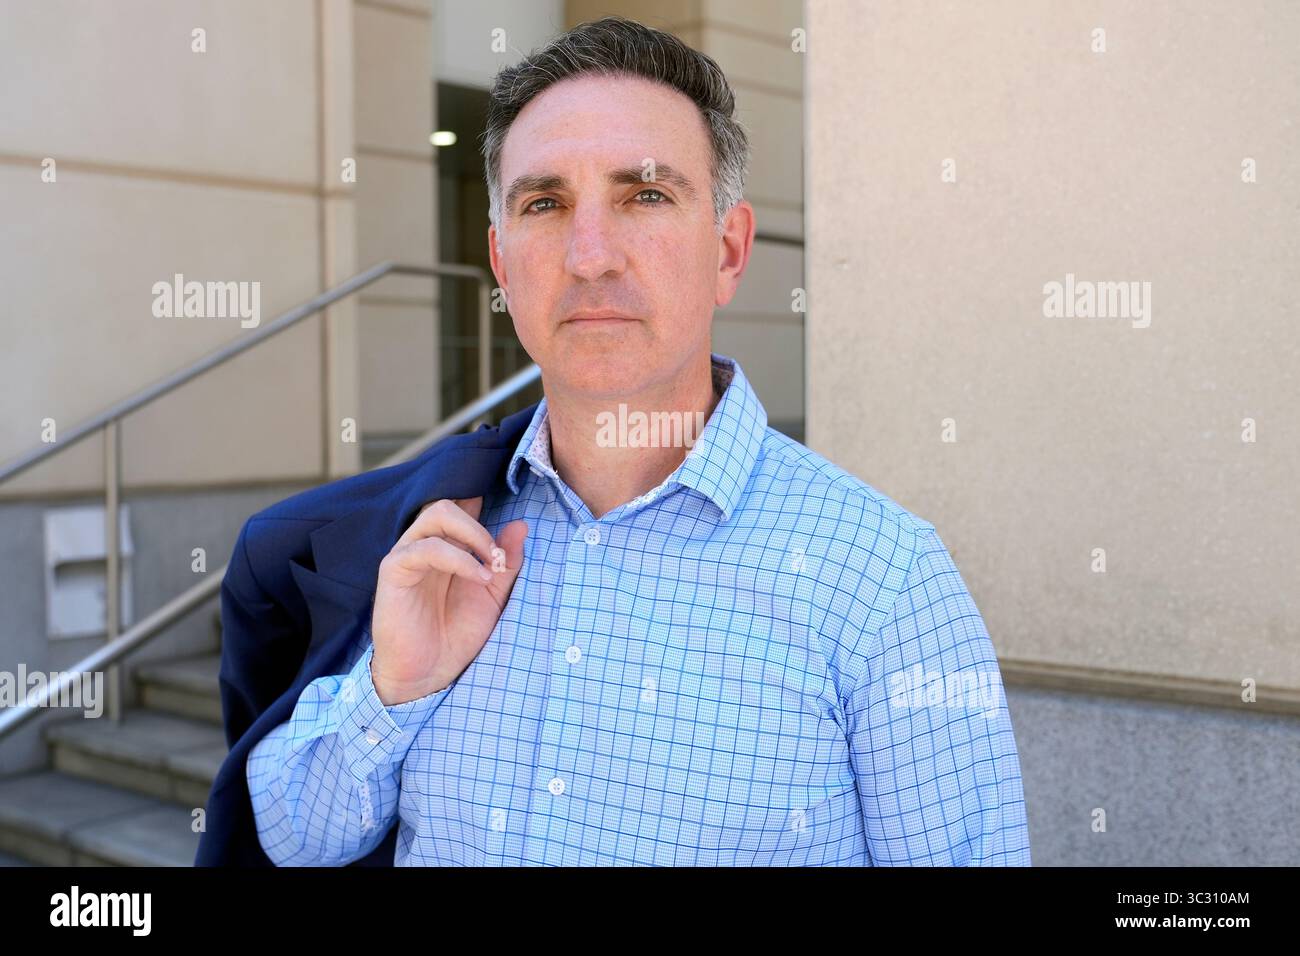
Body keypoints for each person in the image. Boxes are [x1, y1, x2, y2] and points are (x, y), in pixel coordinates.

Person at [236, 15, 1031, 866]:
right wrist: (392, 693)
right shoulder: (438, 534)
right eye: (546, 203)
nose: (589, 257)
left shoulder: (884, 581)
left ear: (728, 250)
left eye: (645, 195)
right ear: (502, 264)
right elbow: (292, 841)